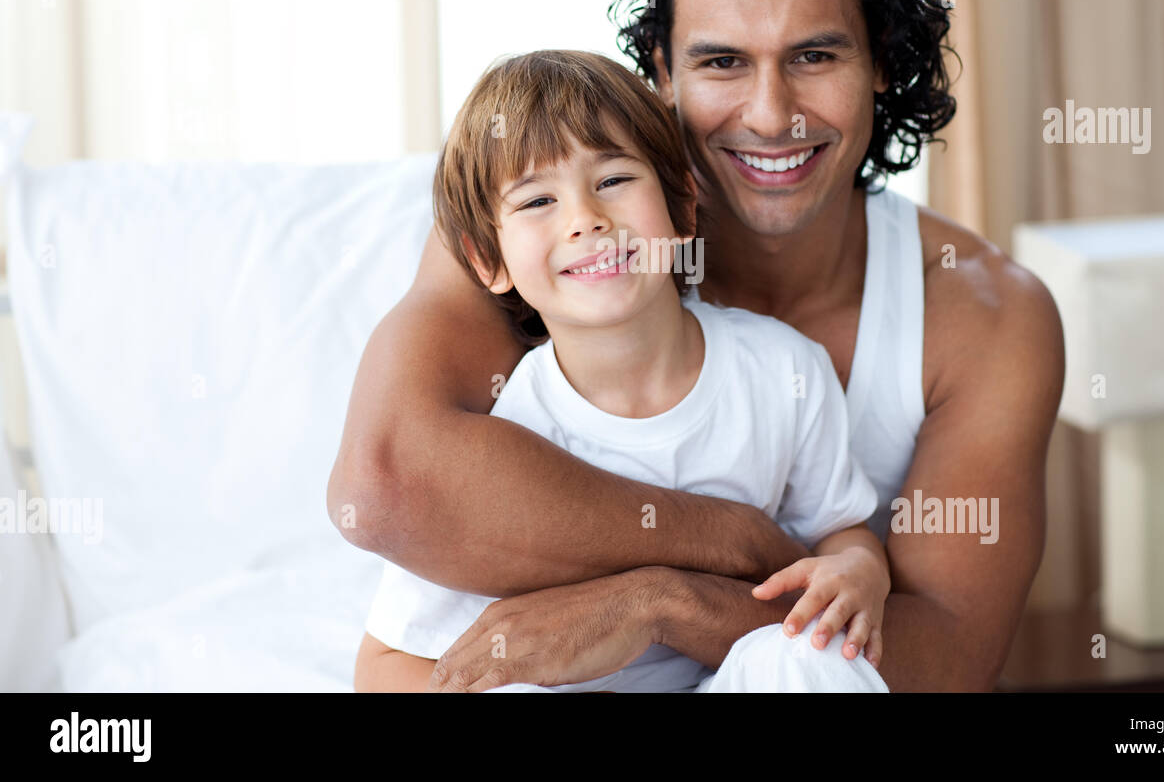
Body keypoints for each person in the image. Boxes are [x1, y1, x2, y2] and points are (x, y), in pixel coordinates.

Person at [330, 0, 1065, 692]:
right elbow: (382, 486)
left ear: (882, 62)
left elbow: (948, 661)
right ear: (662, 72)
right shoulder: (545, 240)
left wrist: (658, 603)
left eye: (815, 56)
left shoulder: (987, 318)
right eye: (721, 62)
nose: (771, 114)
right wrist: (738, 542)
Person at [355, 50, 891, 692]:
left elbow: (842, 532)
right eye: (537, 201)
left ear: (681, 207)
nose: (586, 219)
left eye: (612, 180)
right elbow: (389, 664)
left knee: (812, 657)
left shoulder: (783, 370)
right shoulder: (508, 434)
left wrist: (859, 572)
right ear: (487, 261)